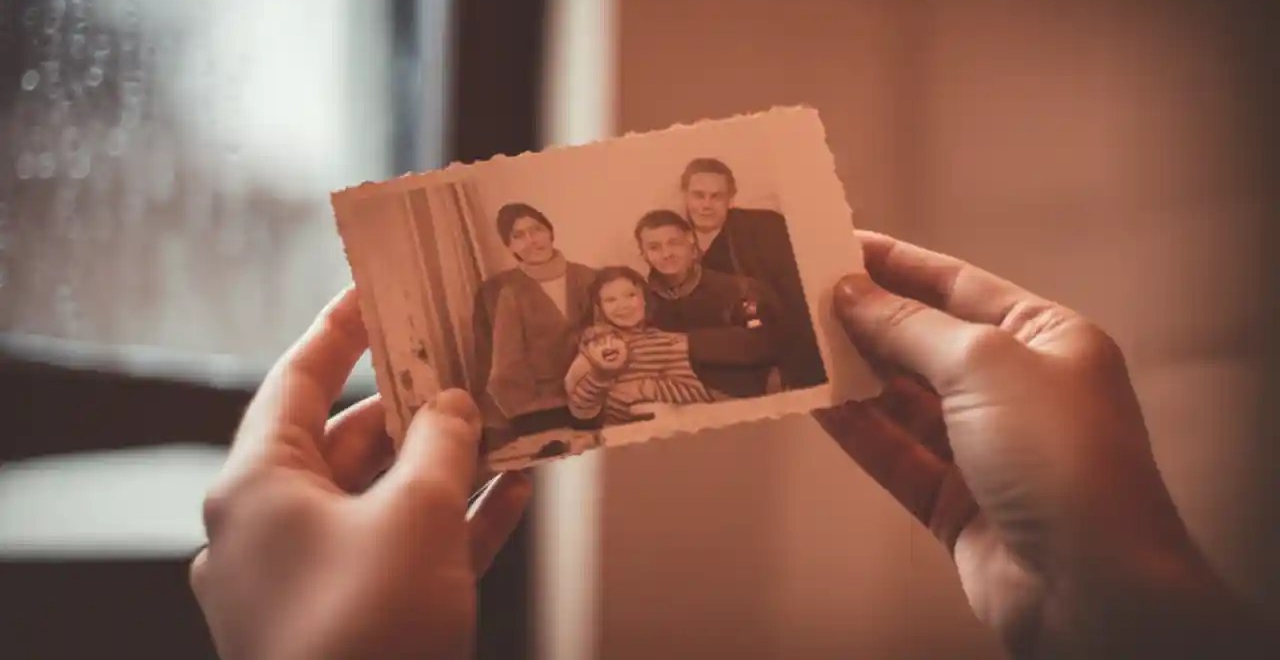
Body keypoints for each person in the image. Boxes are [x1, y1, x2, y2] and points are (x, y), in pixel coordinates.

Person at [192, 230, 1270, 659]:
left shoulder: (676, 332)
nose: (616, 306)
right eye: (605, 295)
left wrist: (1112, 594)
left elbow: (708, 367)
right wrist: (1120, 599)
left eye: (627, 293)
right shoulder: (580, 353)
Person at [681, 157, 828, 390]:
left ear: (731, 199)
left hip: (785, 354)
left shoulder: (764, 228)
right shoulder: (674, 244)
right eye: (698, 195)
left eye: (716, 196)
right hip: (726, 365)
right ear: (685, 195)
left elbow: (797, 301)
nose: (706, 205)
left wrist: (790, 370)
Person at [635, 209, 784, 399]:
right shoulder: (640, 304)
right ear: (643, 254)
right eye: (654, 247)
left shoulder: (739, 288)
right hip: (673, 404)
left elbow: (764, 341)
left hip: (740, 400)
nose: (667, 254)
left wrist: (690, 344)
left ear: (690, 240)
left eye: (673, 243)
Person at [482, 203, 596, 433]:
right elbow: (507, 365)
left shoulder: (589, 277)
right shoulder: (511, 294)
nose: (532, 240)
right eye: (519, 236)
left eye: (537, 230)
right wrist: (535, 409)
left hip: (596, 394)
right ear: (510, 246)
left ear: (550, 232)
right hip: (544, 407)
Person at [564, 265, 714, 425]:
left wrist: (641, 389)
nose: (623, 305)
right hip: (618, 437)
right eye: (610, 300)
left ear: (645, 300)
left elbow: (699, 394)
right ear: (600, 308)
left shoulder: (670, 343)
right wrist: (601, 374)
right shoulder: (594, 348)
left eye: (631, 295)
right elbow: (581, 410)